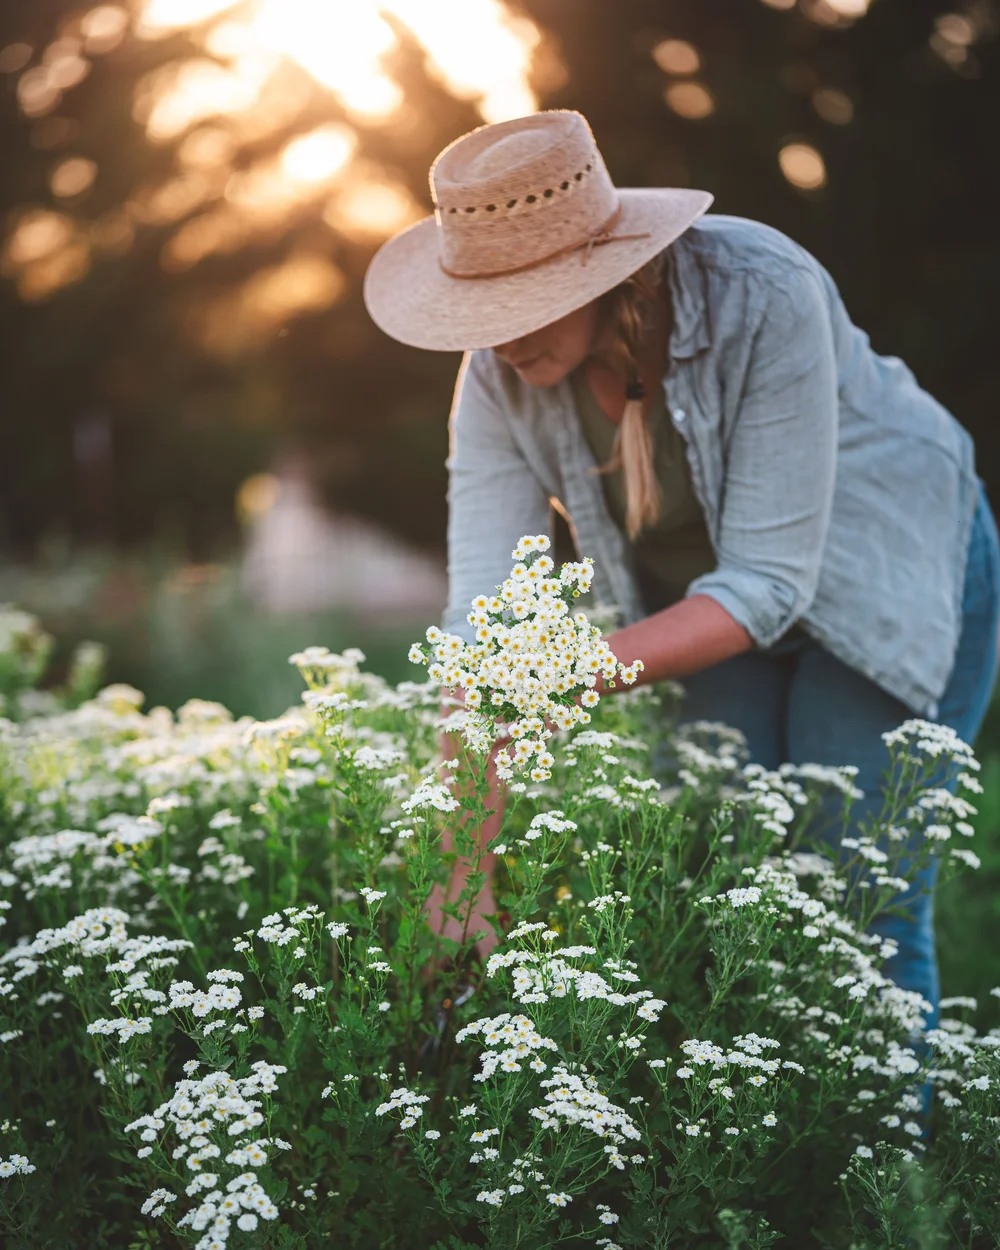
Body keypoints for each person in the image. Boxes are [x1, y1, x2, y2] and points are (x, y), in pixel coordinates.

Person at [363, 109, 1000, 1026]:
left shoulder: (762, 290)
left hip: (881, 568)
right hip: (709, 605)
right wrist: (462, 870)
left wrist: (565, 676)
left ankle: (892, 1172)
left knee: (859, 895)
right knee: (725, 878)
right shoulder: (496, 381)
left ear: (601, 267)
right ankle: (773, 1160)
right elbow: (485, 633)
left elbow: (770, 584)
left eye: (524, 301)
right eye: (482, 310)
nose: (500, 338)